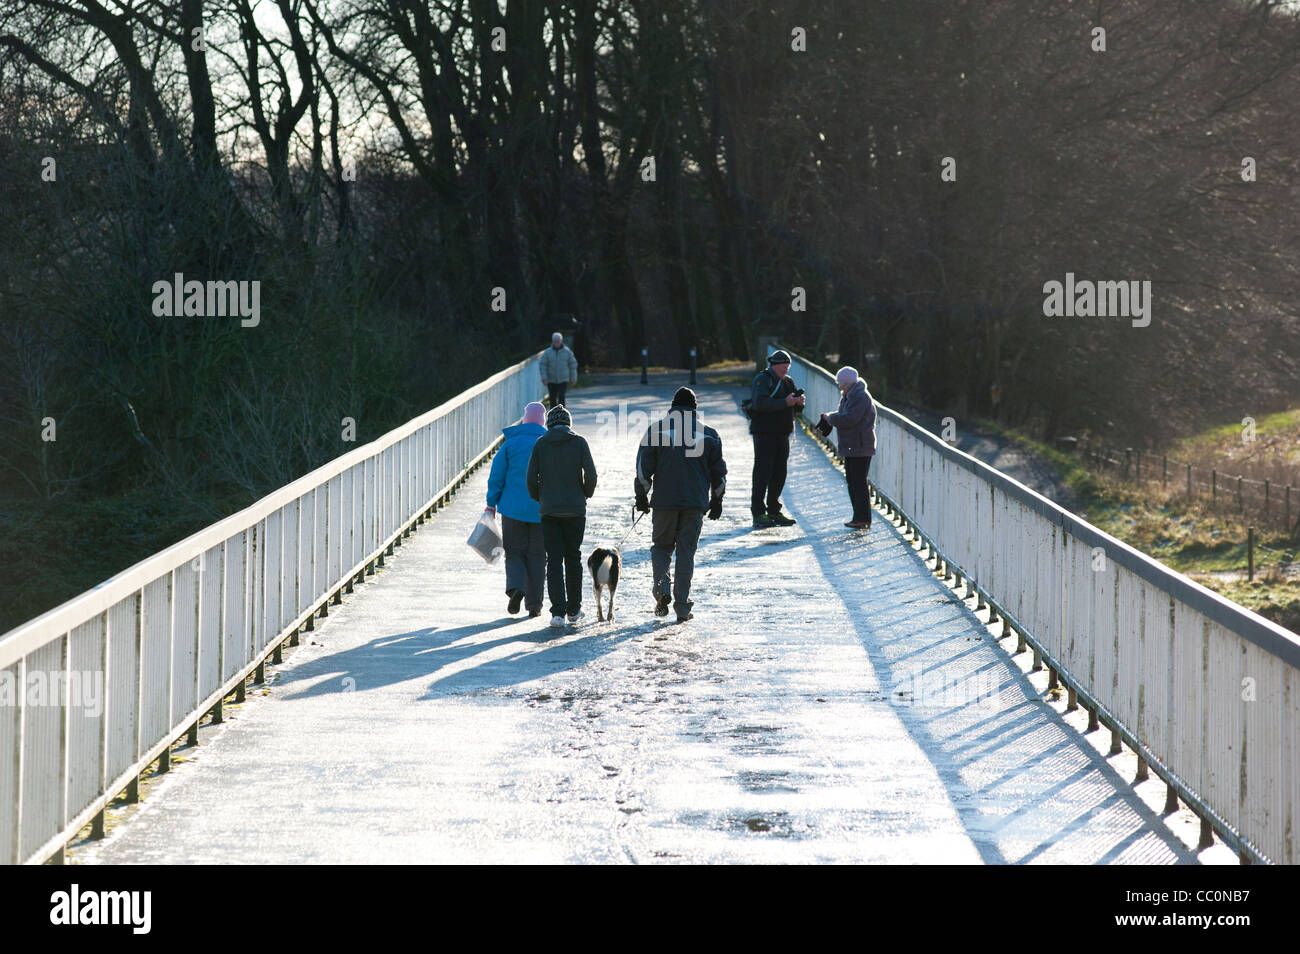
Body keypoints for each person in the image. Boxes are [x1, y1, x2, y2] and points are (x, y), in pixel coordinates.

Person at [634, 387, 727, 623]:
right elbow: (719, 474)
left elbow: (644, 470)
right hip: (694, 502)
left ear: (673, 407)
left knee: (661, 547)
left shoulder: (656, 430)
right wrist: (717, 500)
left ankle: (662, 589)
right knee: (686, 552)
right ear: (695, 409)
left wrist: (642, 497)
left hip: (664, 501)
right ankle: (682, 607)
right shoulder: (709, 434)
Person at [526, 404, 598, 628]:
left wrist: (542, 498)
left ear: (549, 424)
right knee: (573, 558)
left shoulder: (540, 444)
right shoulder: (579, 442)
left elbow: (530, 479)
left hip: (549, 511)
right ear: (568, 423)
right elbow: (592, 475)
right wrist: (585, 494)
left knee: (554, 560)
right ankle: (574, 610)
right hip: (575, 511)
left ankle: (557, 613)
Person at [485, 402, 548, 617]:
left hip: (512, 510)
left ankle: (516, 588)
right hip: (542, 510)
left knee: (514, 553)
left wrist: (491, 503)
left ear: (524, 419)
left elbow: (496, 477)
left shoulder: (510, 445)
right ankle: (535, 606)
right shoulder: (547, 443)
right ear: (543, 421)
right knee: (538, 556)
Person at [748, 349, 804, 527]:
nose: (786, 370)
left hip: (782, 432)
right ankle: (758, 512)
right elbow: (760, 403)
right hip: (764, 432)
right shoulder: (762, 379)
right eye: (783, 366)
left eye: (788, 366)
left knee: (780, 473)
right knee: (762, 472)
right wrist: (785, 402)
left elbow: (794, 409)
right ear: (774, 365)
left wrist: (799, 403)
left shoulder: (788, 382)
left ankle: (774, 509)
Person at [818, 366, 877, 529]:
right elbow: (844, 415)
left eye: (840, 383)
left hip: (860, 446)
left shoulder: (860, 397)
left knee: (858, 482)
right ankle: (858, 517)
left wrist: (830, 418)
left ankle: (863, 518)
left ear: (847, 383)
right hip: (852, 445)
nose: (839, 386)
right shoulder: (849, 395)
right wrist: (831, 417)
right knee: (853, 481)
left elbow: (850, 418)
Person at [539, 332, 578, 408]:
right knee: (552, 398)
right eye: (555, 341)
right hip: (551, 379)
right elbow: (542, 365)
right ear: (552, 341)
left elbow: (573, 365)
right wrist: (544, 378)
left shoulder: (567, 352)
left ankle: (562, 414)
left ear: (561, 341)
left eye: (558, 341)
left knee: (561, 396)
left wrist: (573, 378)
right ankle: (553, 416)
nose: (556, 343)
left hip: (563, 379)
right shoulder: (547, 352)